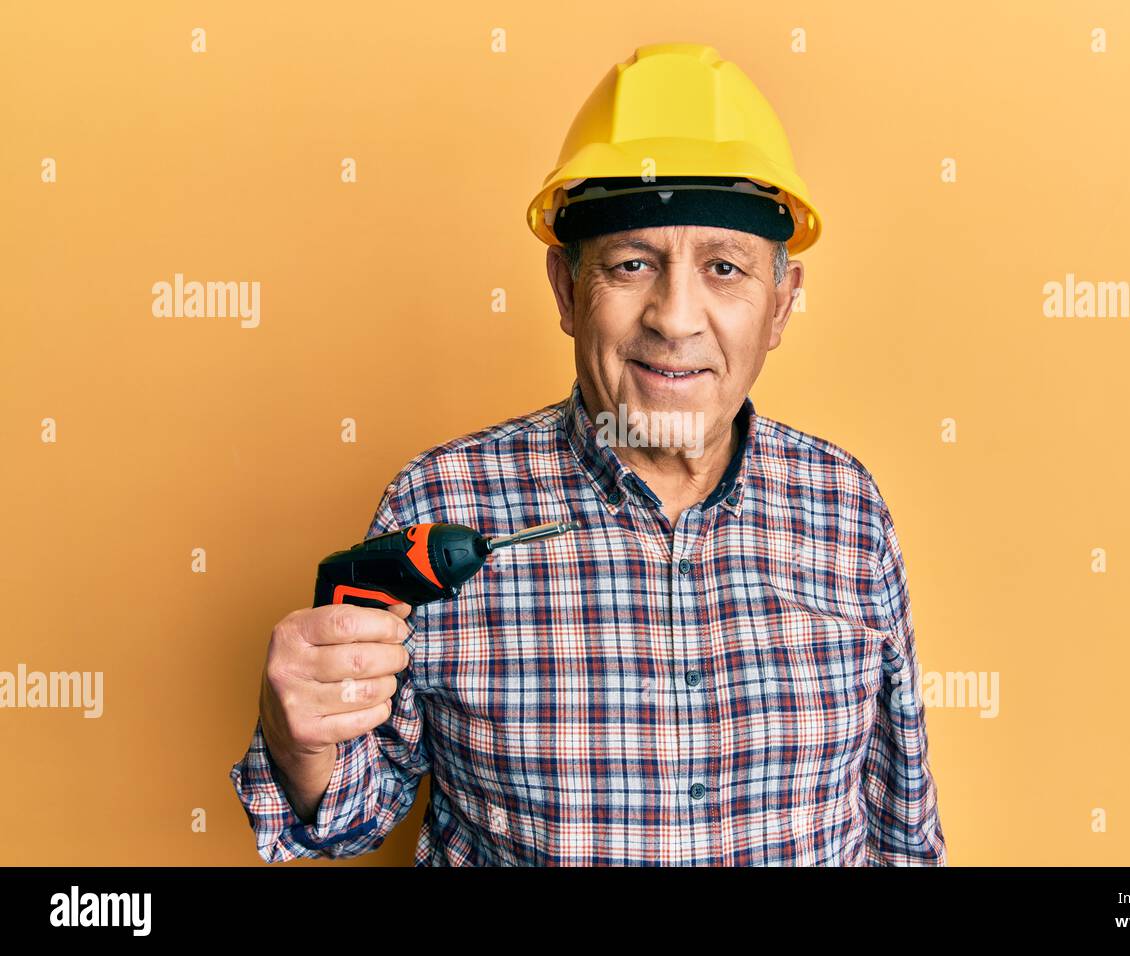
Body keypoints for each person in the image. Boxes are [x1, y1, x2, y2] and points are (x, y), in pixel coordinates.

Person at [230, 41, 946, 866]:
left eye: (725, 267)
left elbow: (902, 829)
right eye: (632, 264)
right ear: (567, 290)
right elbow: (342, 823)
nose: (675, 319)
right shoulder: (441, 502)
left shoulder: (846, 507)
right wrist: (300, 738)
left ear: (781, 307)